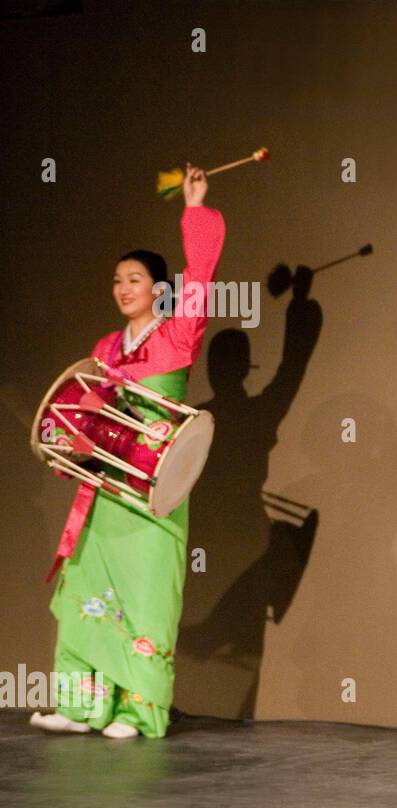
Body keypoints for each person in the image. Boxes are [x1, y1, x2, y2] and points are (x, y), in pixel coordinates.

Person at [31, 165, 226, 739]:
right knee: (87, 588)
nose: (123, 288)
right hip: (105, 484)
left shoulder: (178, 333)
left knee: (143, 593)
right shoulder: (105, 347)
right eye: (118, 279)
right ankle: (80, 705)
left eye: (135, 279)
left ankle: (135, 710)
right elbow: (88, 408)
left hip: (153, 485)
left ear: (160, 290)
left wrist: (194, 207)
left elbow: (204, 271)